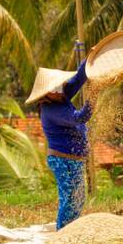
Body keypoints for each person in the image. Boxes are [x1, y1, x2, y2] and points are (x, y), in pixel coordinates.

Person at [26, 60, 91, 230]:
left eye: (59, 86)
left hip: (74, 158)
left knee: (79, 197)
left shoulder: (61, 95)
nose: (59, 89)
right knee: (69, 197)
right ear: (47, 94)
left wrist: (91, 58)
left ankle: (72, 230)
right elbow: (79, 117)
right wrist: (93, 100)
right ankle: (62, 233)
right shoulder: (51, 109)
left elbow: (78, 78)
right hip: (62, 159)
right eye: (55, 88)